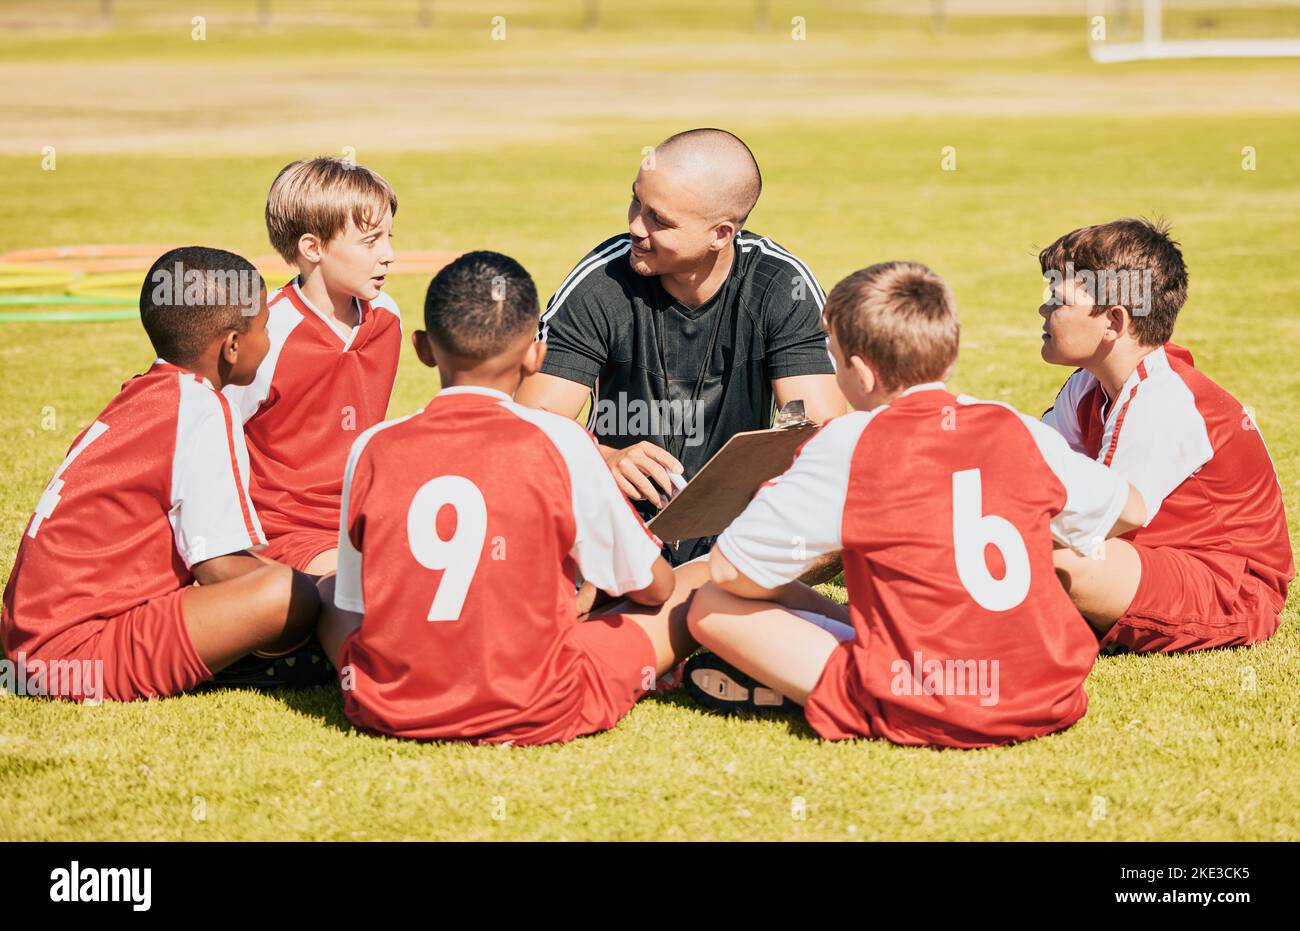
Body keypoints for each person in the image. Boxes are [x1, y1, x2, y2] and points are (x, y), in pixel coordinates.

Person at [685, 262, 1145, 748]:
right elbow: (1131, 510)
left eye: (835, 359)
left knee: (710, 605)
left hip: (932, 703)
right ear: (945, 357)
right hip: (1048, 692)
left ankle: (826, 693)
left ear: (860, 371)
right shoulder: (1013, 425)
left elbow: (731, 571)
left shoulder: (852, 440)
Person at [318, 251, 707, 745]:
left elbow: (359, 603)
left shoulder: (372, 445)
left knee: (329, 593)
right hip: (539, 705)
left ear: (422, 348)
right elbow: (653, 587)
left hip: (391, 707)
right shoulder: (559, 439)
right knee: (704, 578)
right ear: (535, 354)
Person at [1, 247, 320, 702]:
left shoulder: (146, 392)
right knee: (291, 595)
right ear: (232, 345)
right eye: (264, 328)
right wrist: (317, 595)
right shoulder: (203, 407)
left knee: (287, 585)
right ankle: (235, 663)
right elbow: (218, 567)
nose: (268, 342)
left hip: (30, 643)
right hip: (73, 658)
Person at [515, 128, 845, 564]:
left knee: (837, 515)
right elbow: (525, 430)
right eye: (636, 201)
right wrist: (604, 458)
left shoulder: (780, 285)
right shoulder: (602, 283)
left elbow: (820, 434)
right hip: (619, 519)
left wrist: (746, 491)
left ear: (721, 234)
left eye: (659, 220)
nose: (635, 225)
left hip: (745, 523)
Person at [1038, 217, 1292, 652]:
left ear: (1114, 322)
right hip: (1154, 559)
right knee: (1032, 547)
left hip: (1229, 586)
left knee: (1059, 561)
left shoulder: (1165, 397)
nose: (1043, 310)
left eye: (1057, 300)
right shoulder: (1088, 384)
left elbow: (1103, 521)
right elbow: (1038, 470)